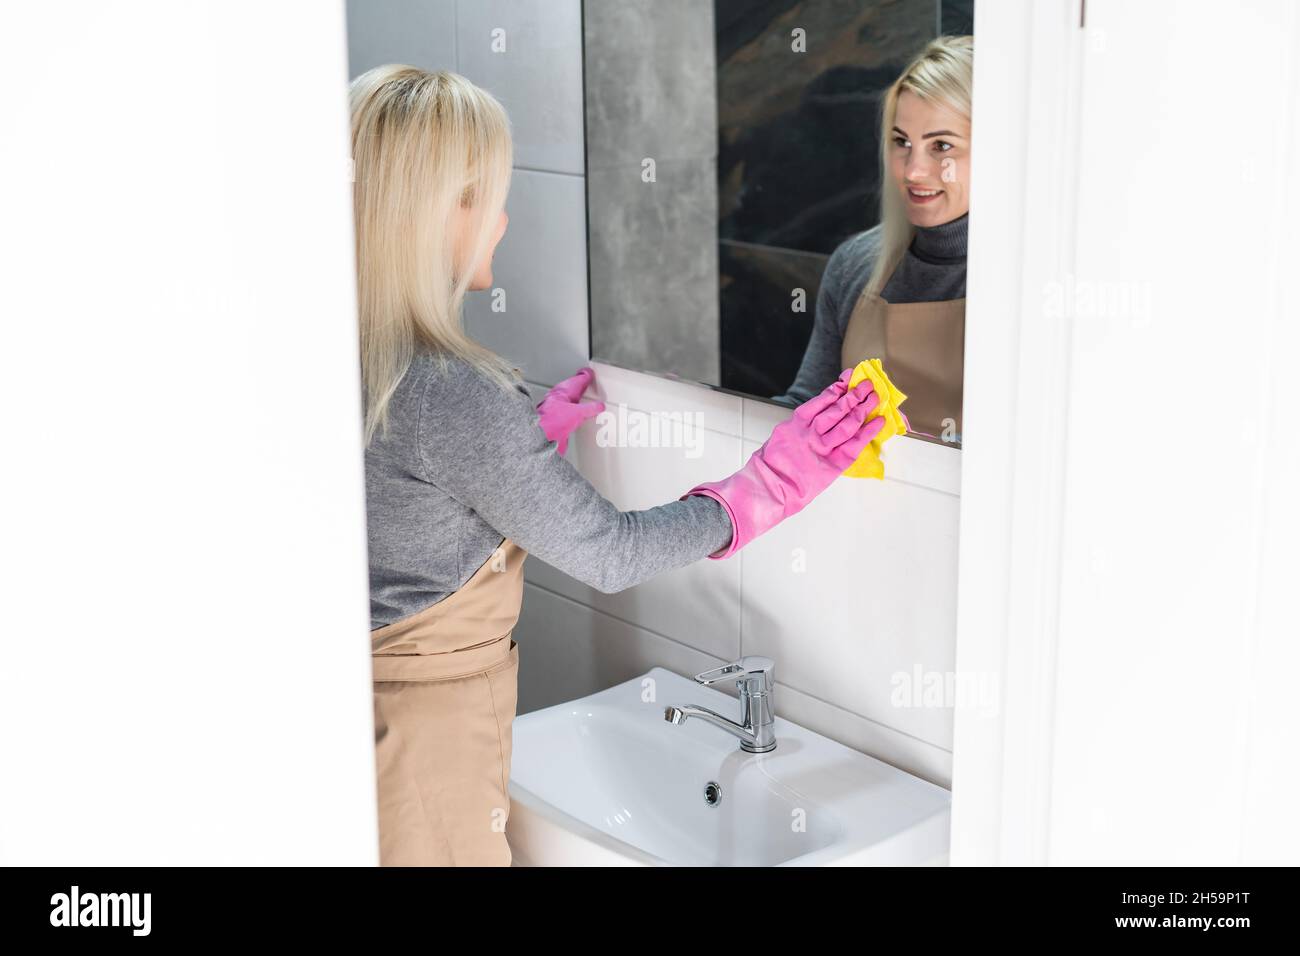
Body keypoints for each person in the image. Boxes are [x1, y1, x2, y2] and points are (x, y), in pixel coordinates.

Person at [351, 65, 885, 866]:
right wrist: (759, 492)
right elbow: (610, 553)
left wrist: (515, 450)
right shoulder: (452, 392)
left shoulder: (358, 358)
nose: (501, 219)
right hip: (426, 753)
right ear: (443, 211)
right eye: (489, 196)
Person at [776, 35, 972, 446]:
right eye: (902, 142)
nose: (914, 171)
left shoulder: (1026, 287)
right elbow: (807, 407)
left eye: (941, 146)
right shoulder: (856, 262)